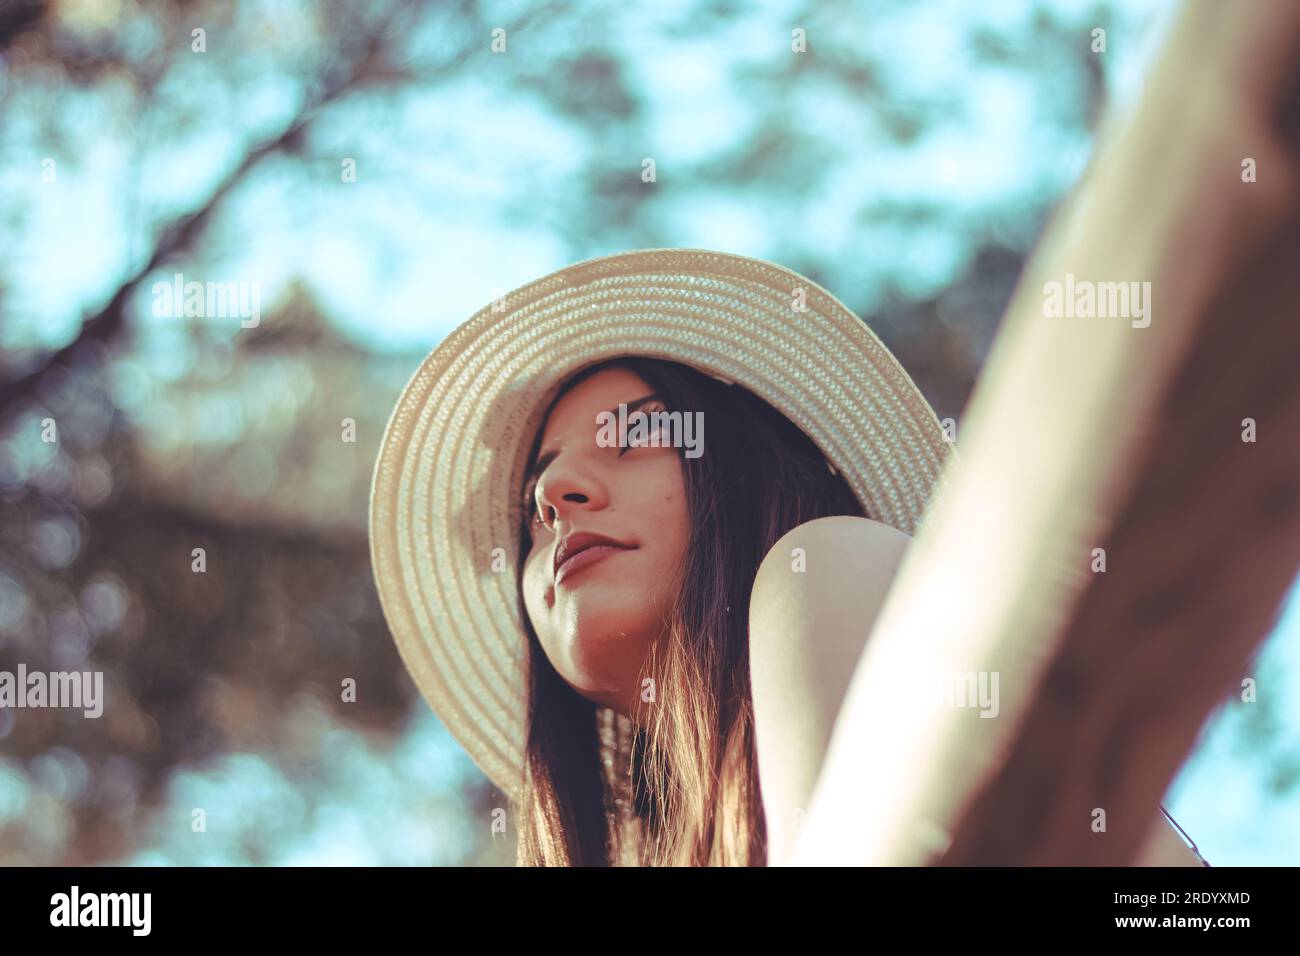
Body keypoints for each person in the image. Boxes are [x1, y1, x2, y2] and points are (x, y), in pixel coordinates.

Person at [368, 248, 1207, 866]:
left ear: (745, 471)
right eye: (532, 504)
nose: (556, 499)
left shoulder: (824, 568)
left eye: (636, 435)